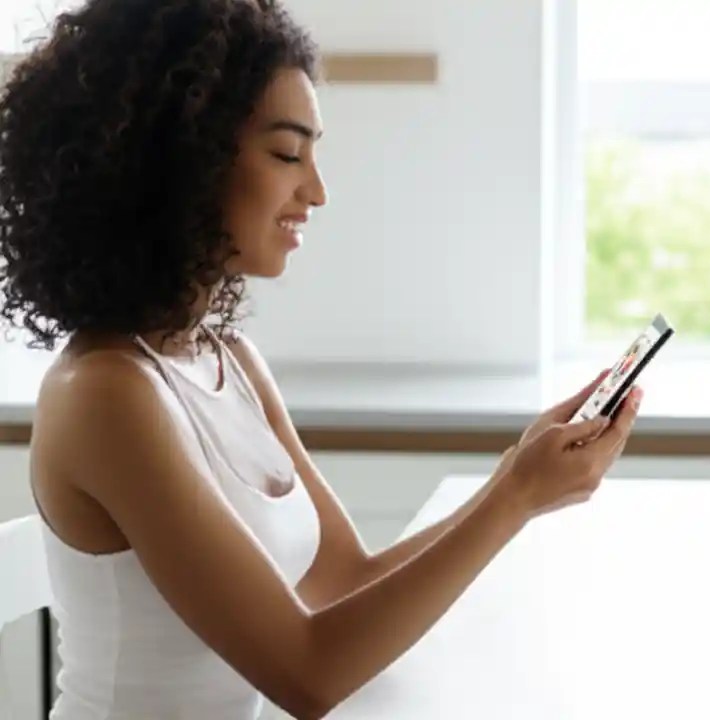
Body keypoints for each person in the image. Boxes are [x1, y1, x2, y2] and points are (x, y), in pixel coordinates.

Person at [0, 1, 641, 718]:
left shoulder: (227, 358)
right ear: (181, 158)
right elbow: (307, 673)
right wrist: (513, 496)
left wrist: (516, 481)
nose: (316, 189)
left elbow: (346, 584)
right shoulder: (105, 394)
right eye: (286, 153)